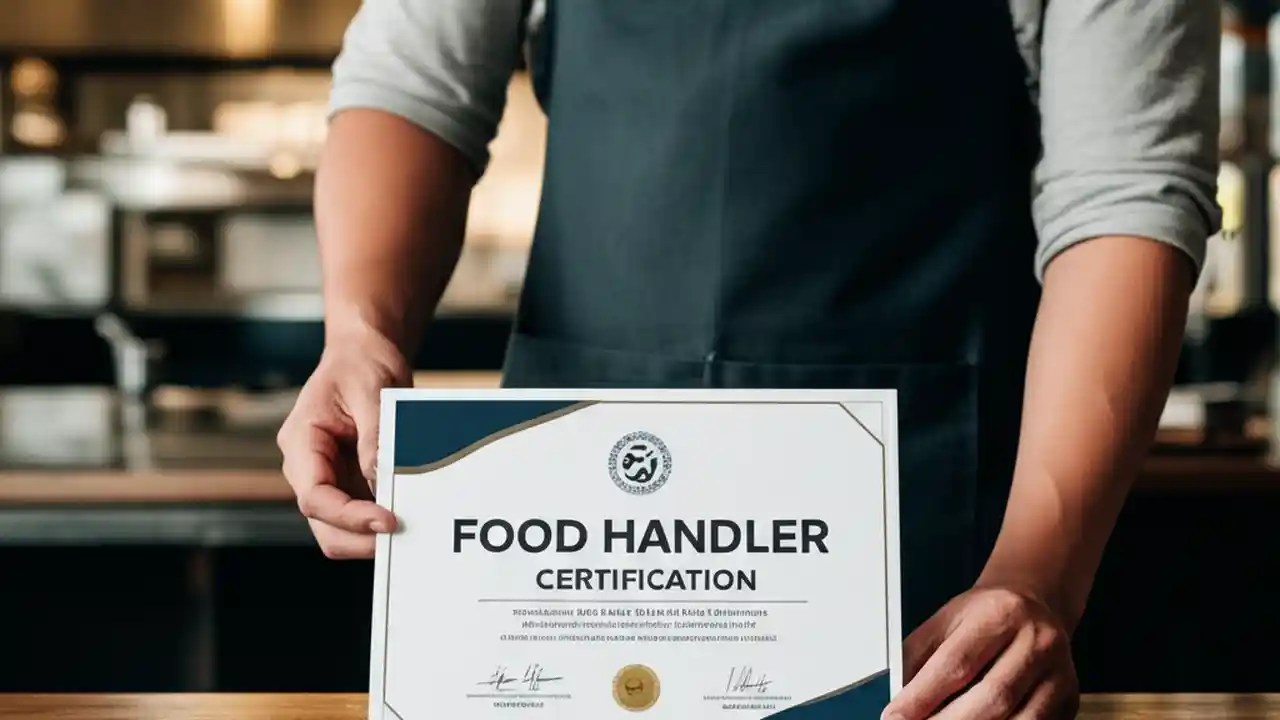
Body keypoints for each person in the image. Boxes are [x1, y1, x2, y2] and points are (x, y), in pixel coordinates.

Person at [277, 1, 1220, 717]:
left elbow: (1126, 190)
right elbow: (412, 86)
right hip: (571, 525)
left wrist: (1038, 572)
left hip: (927, 539)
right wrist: (360, 331)